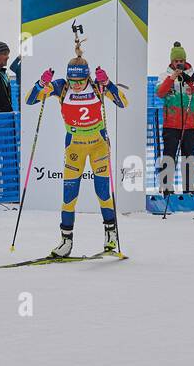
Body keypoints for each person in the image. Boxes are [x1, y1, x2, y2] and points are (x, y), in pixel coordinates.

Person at [25, 55, 127, 258]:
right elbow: (29, 100)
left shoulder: (98, 87)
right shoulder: (61, 87)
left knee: (102, 193)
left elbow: (123, 102)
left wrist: (108, 83)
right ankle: (65, 241)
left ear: (88, 77)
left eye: (80, 81)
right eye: (73, 81)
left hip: (98, 146)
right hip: (74, 147)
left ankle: (111, 234)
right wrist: (41, 83)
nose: (77, 85)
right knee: (69, 197)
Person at [155, 43, 194, 197]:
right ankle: (167, 190)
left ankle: (189, 190)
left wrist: (191, 81)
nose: (179, 63)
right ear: (172, 62)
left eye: (181, 60)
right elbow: (160, 93)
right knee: (169, 156)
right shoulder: (164, 75)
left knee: (188, 157)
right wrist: (171, 78)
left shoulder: (192, 75)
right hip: (171, 125)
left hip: (190, 125)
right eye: (176, 61)